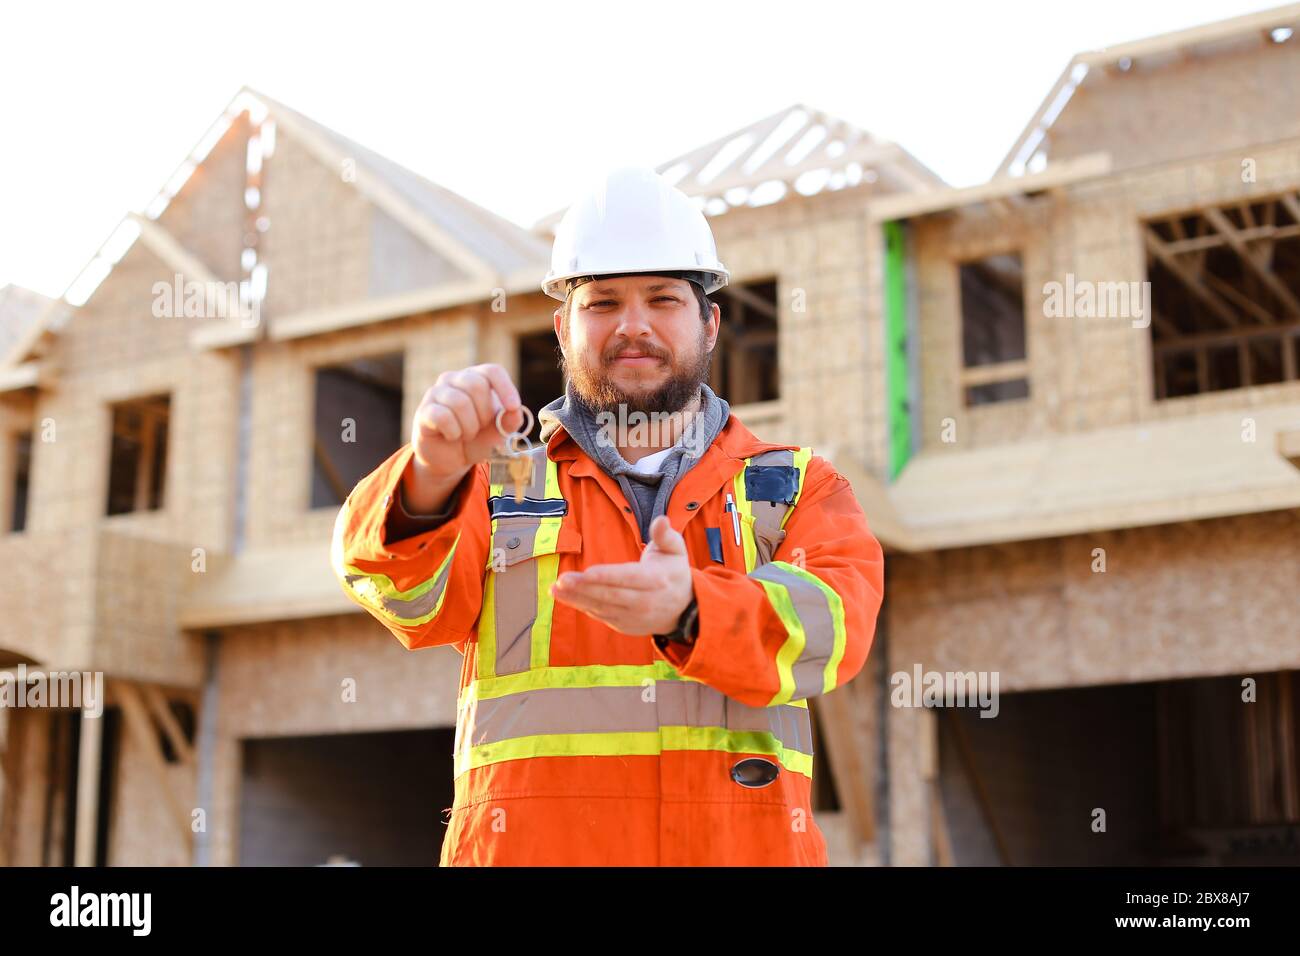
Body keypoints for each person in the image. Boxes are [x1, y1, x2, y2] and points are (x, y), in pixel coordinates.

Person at [331, 166, 885, 865]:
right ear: (564, 328)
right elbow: (409, 602)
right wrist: (432, 474)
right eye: (603, 304)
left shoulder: (792, 484)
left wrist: (693, 609)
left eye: (662, 299)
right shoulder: (505, 482)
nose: (633, 326)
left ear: (709, 321)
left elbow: (836, 633)